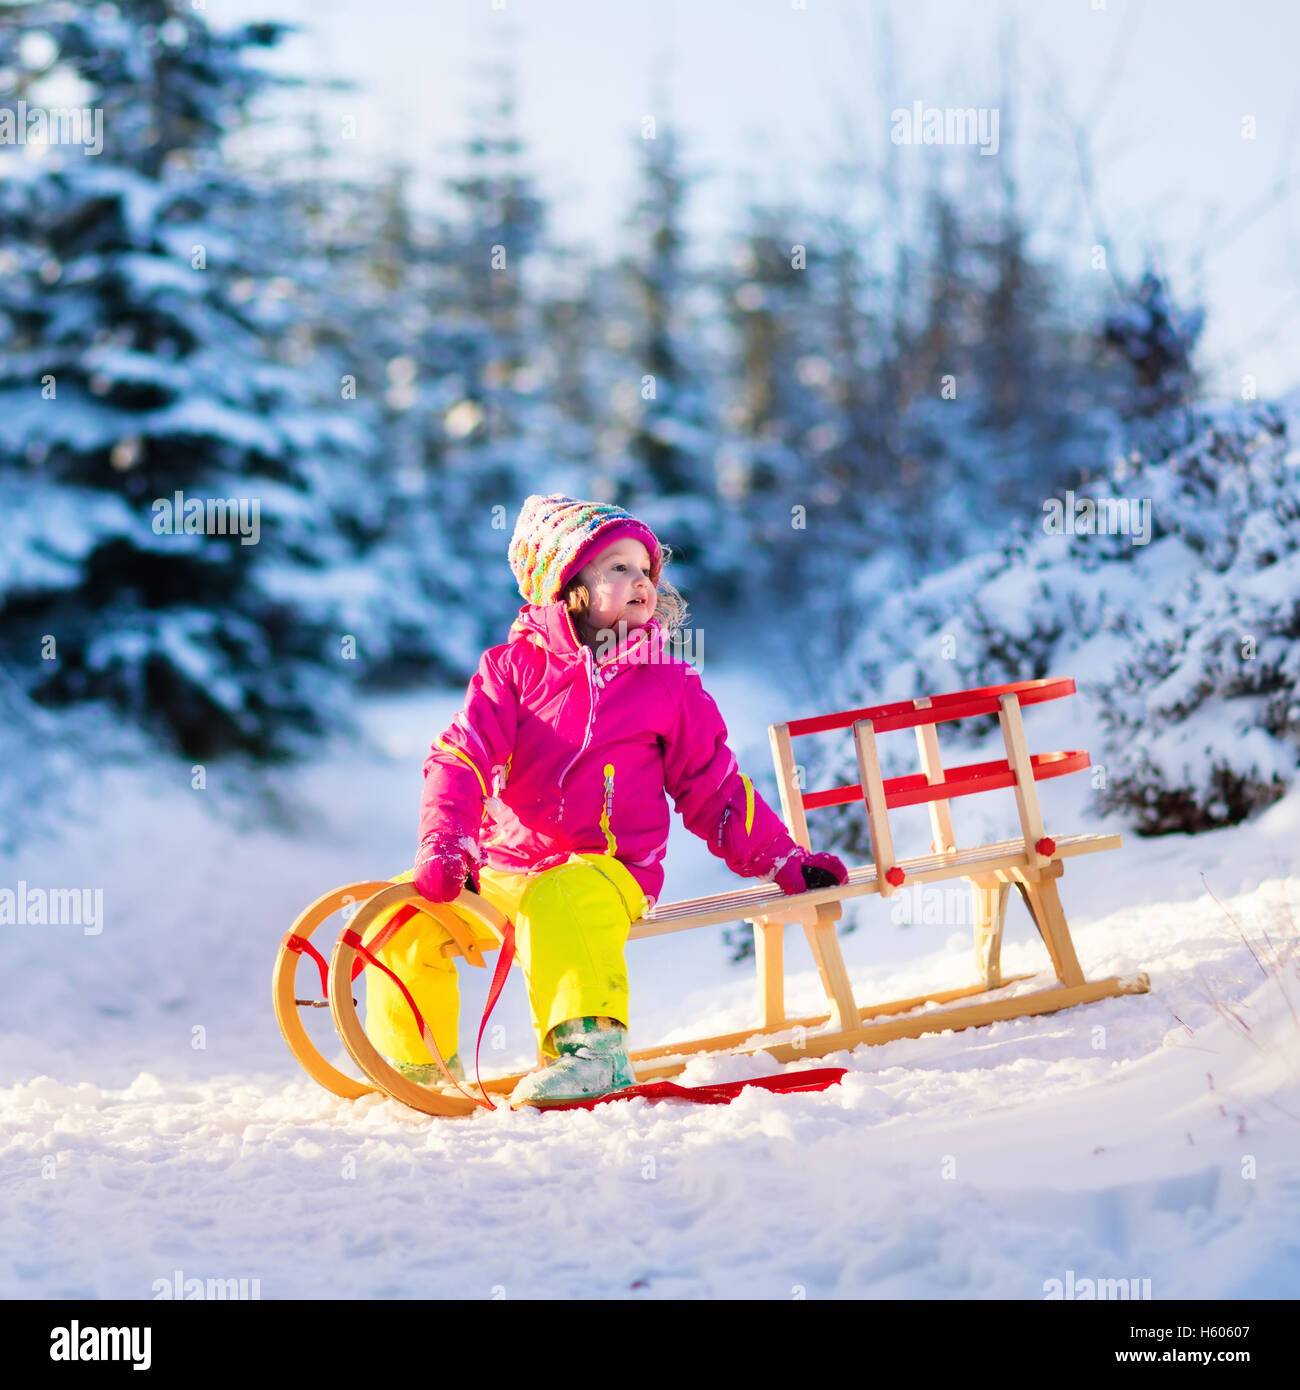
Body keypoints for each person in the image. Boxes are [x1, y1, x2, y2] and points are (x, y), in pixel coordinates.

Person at [364, 493, 848, 1108]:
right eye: (619, 568)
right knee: (402, 913)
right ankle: (418, 1063)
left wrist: (781, 858)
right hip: (502, 867)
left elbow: (715, 786)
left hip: (608, 870)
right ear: (566, 585)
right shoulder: (509, 671)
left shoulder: (669, 684)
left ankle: (591, 1054)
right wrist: (446, 841)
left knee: (562, 896)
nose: (642, 582)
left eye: (646, 570)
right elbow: (459, 757)